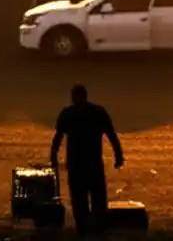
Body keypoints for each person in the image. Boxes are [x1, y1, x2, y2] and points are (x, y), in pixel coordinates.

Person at [51, 84, 124, 236]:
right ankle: (99, 231)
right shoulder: (98, 112)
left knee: (79, 204)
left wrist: (53, 158)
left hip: (76, 165)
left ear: (73, 97)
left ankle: (82, 232)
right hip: (93, 164)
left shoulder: (67, 114)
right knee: (98, 201)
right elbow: (111, 135)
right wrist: (118, 156)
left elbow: (57, 139)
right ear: (85, 96)